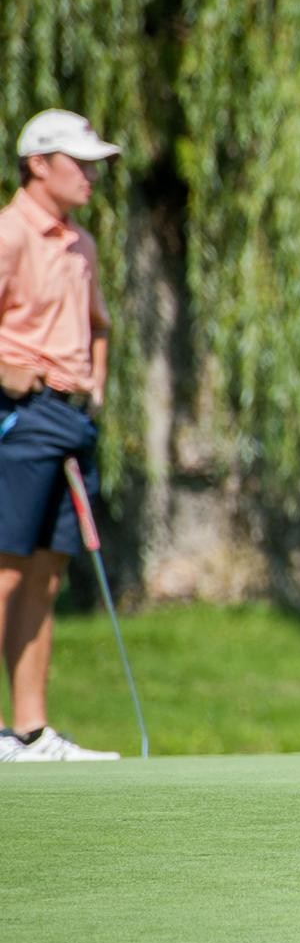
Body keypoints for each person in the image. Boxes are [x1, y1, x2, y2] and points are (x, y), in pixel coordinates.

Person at [0, 110, 124, 763]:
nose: (92, 176)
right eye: (80, 164)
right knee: (6, 570)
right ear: (38, 165)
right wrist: (10, 375)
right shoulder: (10, 234)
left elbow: (98, 323)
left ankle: (29, 730)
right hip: (22, 416)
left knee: (47, 574)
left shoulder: (80, 243)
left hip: (72, 418)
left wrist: (96, 383)